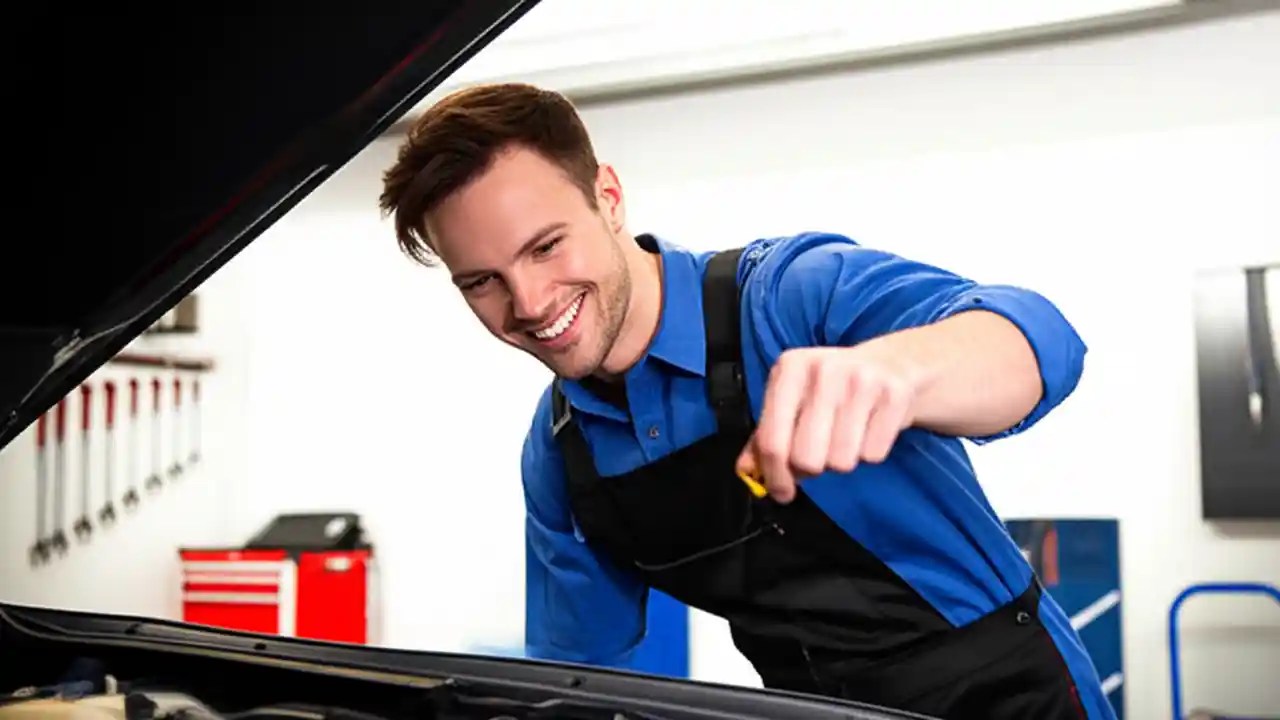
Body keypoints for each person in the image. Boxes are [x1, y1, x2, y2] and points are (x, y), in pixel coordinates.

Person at [378, 82, 1116, 720]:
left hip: (1011, 697)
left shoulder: (787, 299)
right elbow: (579, 677)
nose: (530, 304)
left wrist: (906, 367)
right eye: (481, 282)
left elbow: (1042, 343)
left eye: (545, 247)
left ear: (608, 197)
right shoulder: (561, 457)